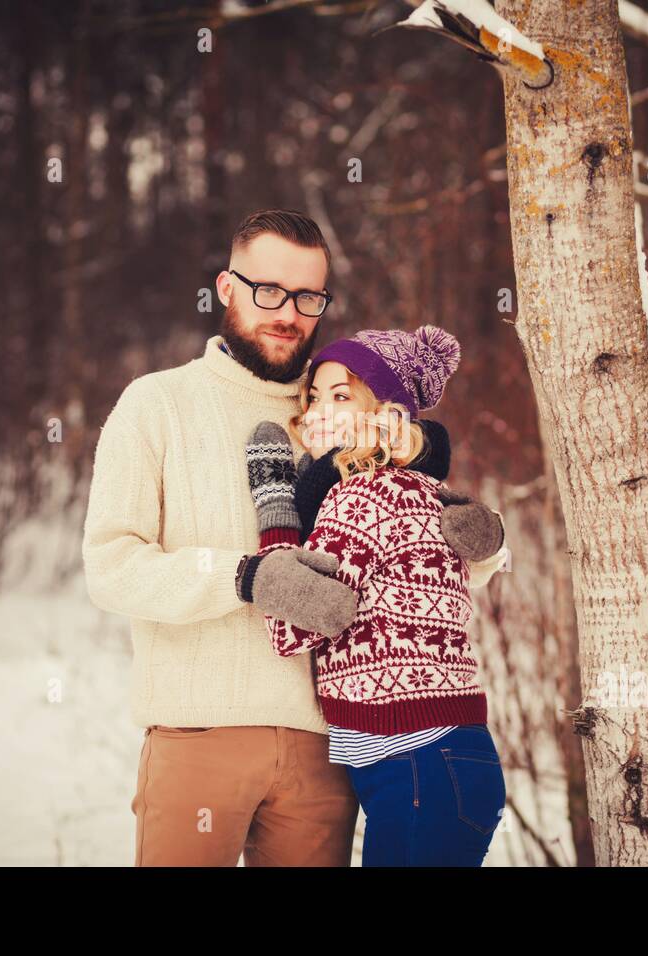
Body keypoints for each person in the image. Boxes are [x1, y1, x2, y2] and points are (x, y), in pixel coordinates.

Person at [81, 209, 508, 866]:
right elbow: (112, 566)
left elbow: (412, 549)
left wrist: (483, 542)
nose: (288, 312)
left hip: (326, 751)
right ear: (226, 287)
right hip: (199, 736)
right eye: (268, 291)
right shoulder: (156, 405)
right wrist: (245, 576)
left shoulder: (331, 409)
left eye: (308, 296)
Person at [234, 326, 508, 866]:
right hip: (443, 759)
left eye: (342, 396)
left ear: (384, 411)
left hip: (416, 762)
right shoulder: (424, 488)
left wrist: (271, 535)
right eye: (315, 395)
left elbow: (296, 629)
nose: (319, 410)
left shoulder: (356, 493)